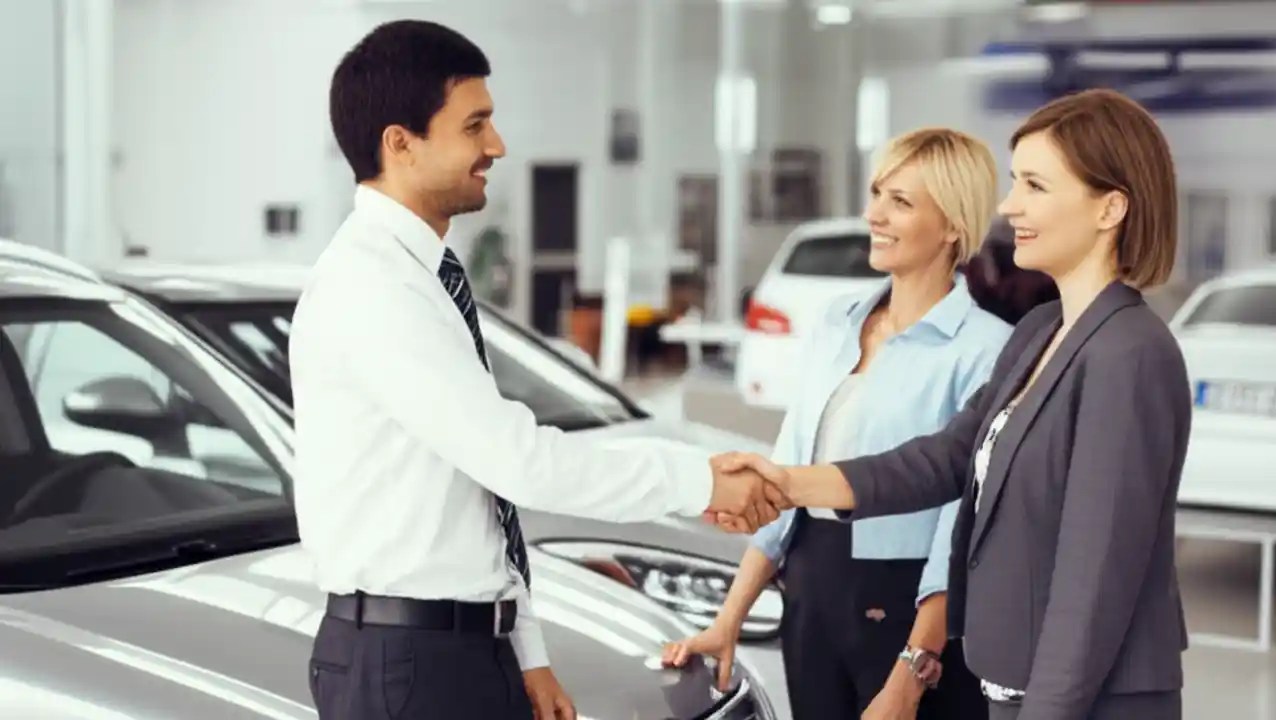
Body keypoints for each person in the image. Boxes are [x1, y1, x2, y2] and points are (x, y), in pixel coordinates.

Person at [290, 20, 782, 720]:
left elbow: (477, 490)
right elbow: (518, 462)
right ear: (400, 144)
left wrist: (525, 651)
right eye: (475, 125)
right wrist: (699, 478)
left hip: (454, 649)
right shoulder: (374, 289)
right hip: (410, 665)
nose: (497, 146)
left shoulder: (420, 277)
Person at [716, 88, 1190, 719]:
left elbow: (1094, 580)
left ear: (1110, 208)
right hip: (1016, 685)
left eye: (1035, 186)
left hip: (1088, 698)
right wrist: (786, 483)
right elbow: (941, 461)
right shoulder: (1042, 331)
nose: (1008, 204)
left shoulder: (1130, 355)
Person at [665, 128, 1009, 720]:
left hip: (909, 605)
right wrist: (728, 620)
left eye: (900, 201)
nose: (873, 214)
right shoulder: (836, 321)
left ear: (953, 224)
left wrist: (912, 670)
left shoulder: (986, 349)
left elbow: (960, 530)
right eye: (877, 193)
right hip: (812, 587)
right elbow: (789, 469)